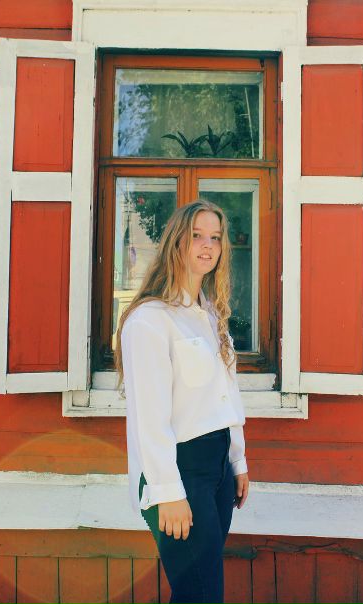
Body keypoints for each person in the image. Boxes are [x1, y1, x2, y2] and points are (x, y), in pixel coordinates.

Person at [115, 199, 249, 604]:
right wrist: (167, 492)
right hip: (179, 471)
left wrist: (237, 462)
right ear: (176, 242)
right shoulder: (149, 320)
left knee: (199, 593)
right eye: (197, 236)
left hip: (218, 470)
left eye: (216, 238)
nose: (208, 246)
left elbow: (225, 397)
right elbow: (149, 417)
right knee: (201, 595)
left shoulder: (210, 315)